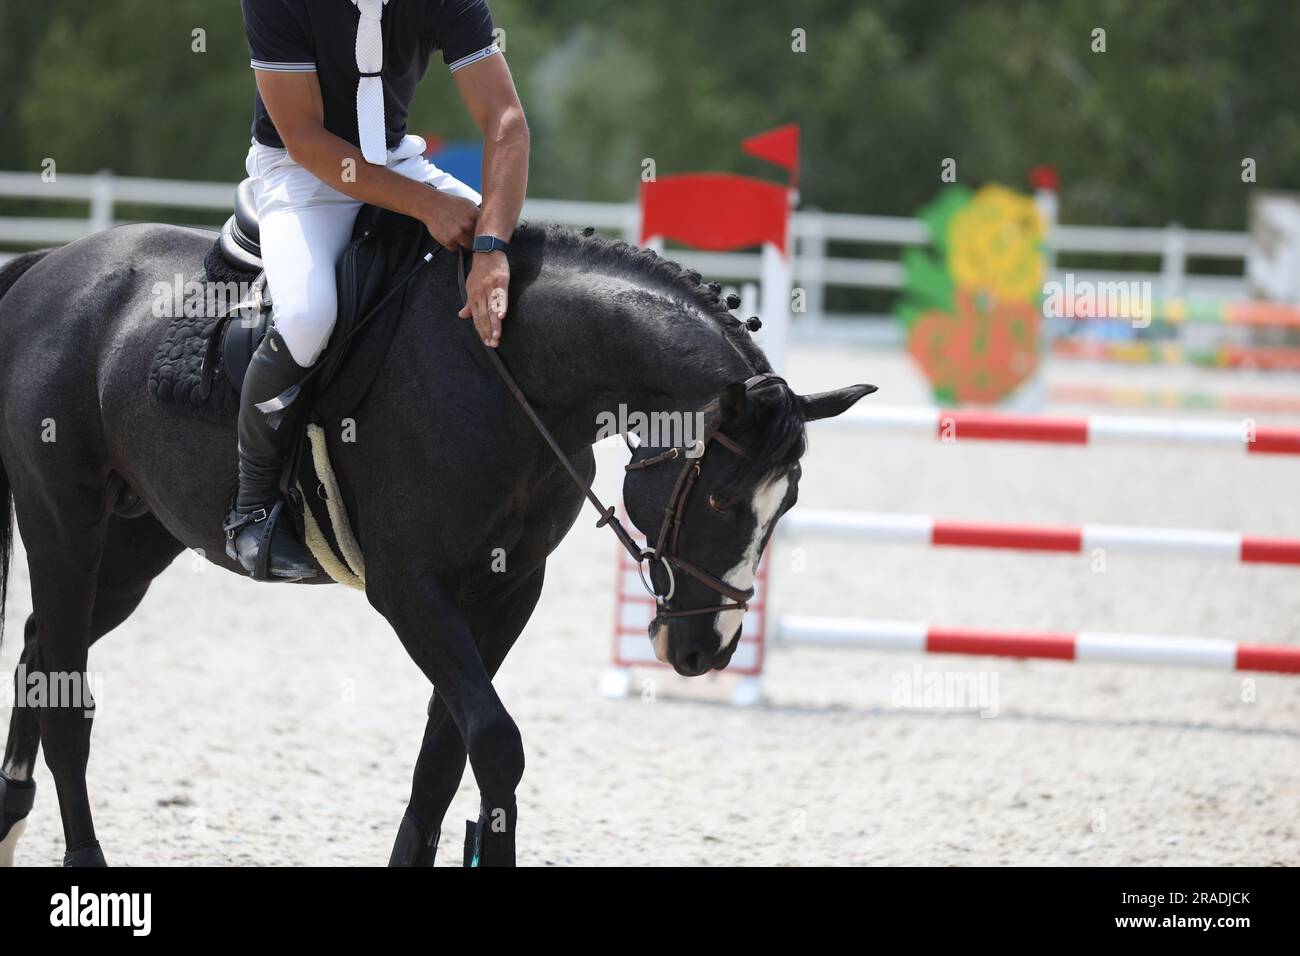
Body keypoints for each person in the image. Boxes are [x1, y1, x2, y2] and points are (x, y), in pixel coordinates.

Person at [226, 0, 528, 580]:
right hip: (300, 175)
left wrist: (491, 247)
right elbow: (304, 138)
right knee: (308, 317)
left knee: (521, 267)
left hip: (395, 160)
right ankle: (252, 508)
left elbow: (505, 118)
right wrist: (427, 205)